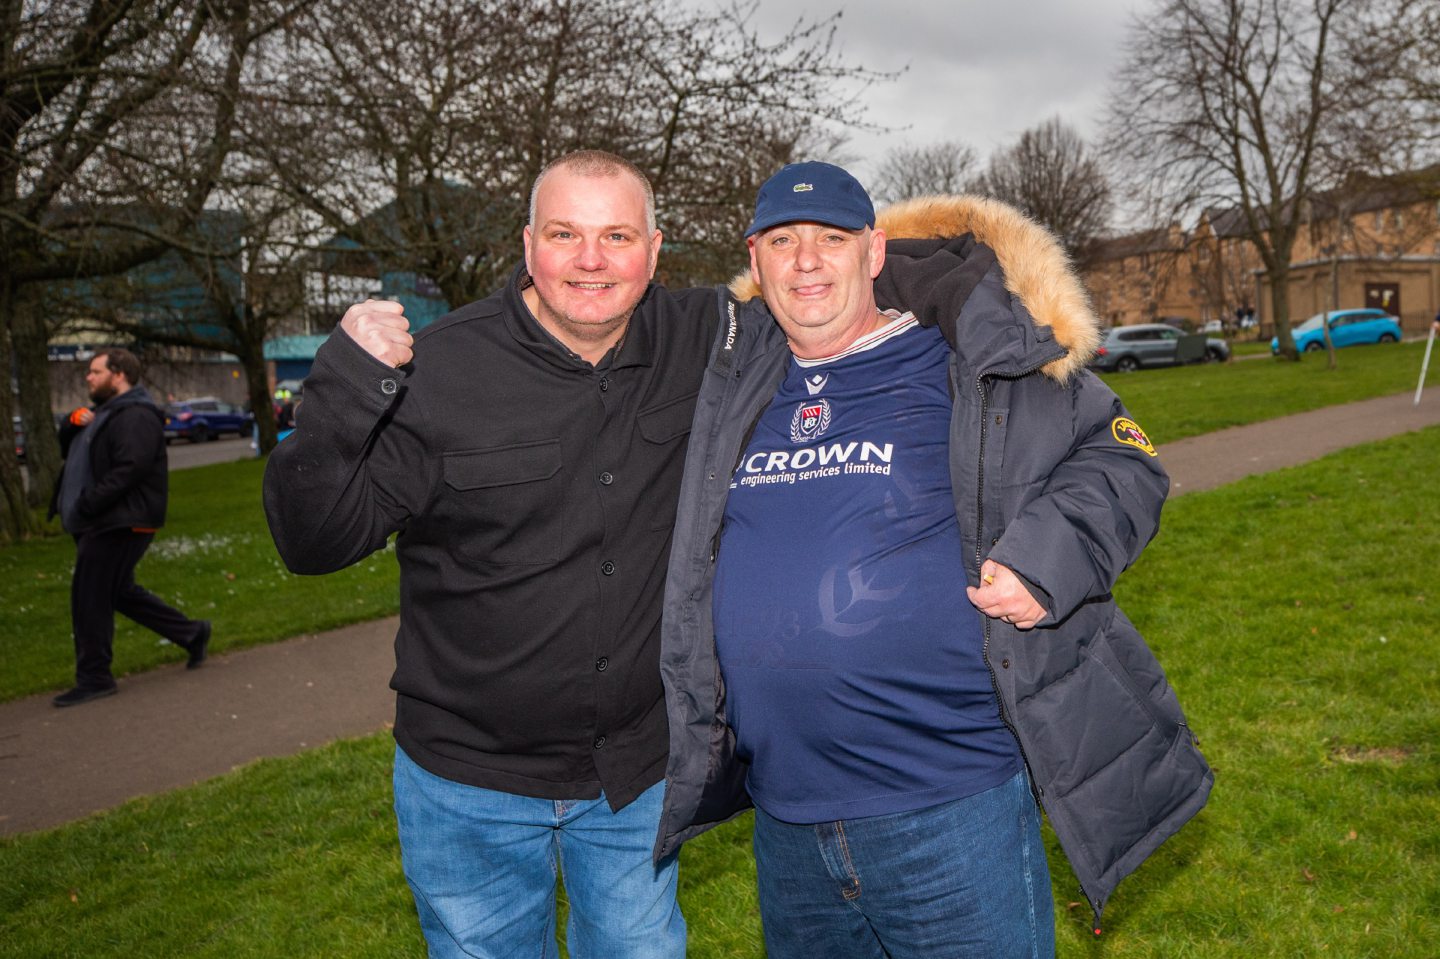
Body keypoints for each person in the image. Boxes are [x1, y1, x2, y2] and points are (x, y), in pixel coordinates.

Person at [652, 163, 1212, 956]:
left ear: (874, 252)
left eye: (831, 240)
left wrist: (1042, 562)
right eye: (783, 241)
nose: (806, 260)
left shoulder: (965, 353)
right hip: (789, 823)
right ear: (757, 258)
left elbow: (1125, 455)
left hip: (950, 813)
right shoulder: (736, 377)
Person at [263, 150, 724, 958]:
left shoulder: (704, 339)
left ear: (655, 250)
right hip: (466, 783)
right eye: (564, 234)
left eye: (617, 235)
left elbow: (844, 275)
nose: (590, 259)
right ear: (527, 245)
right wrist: (339, 386)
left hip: (634, 775)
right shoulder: (440, 369)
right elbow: (313, 541)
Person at [51, 348, 211, 708]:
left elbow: (130, 469)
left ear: (118, 373)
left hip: (120, 521)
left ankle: (95, 677)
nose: (88, 378)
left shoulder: (136, 415)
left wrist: (89, 503)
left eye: (95, 371)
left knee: (89, 597)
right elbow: (75, 455)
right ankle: (191, 633)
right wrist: (68, 426)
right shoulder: (104, 414)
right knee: (119, 592)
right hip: (109, 520)